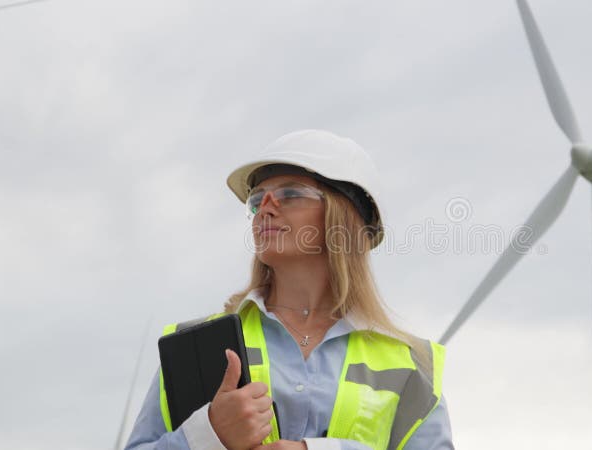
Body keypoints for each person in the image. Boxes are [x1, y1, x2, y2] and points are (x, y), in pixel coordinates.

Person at [125, 130, 453, 450]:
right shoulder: (192, 349)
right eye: (257, 200)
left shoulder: (410, 366)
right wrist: (208, 435)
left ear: (343, 216)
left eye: (289, 194)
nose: (264, 209)